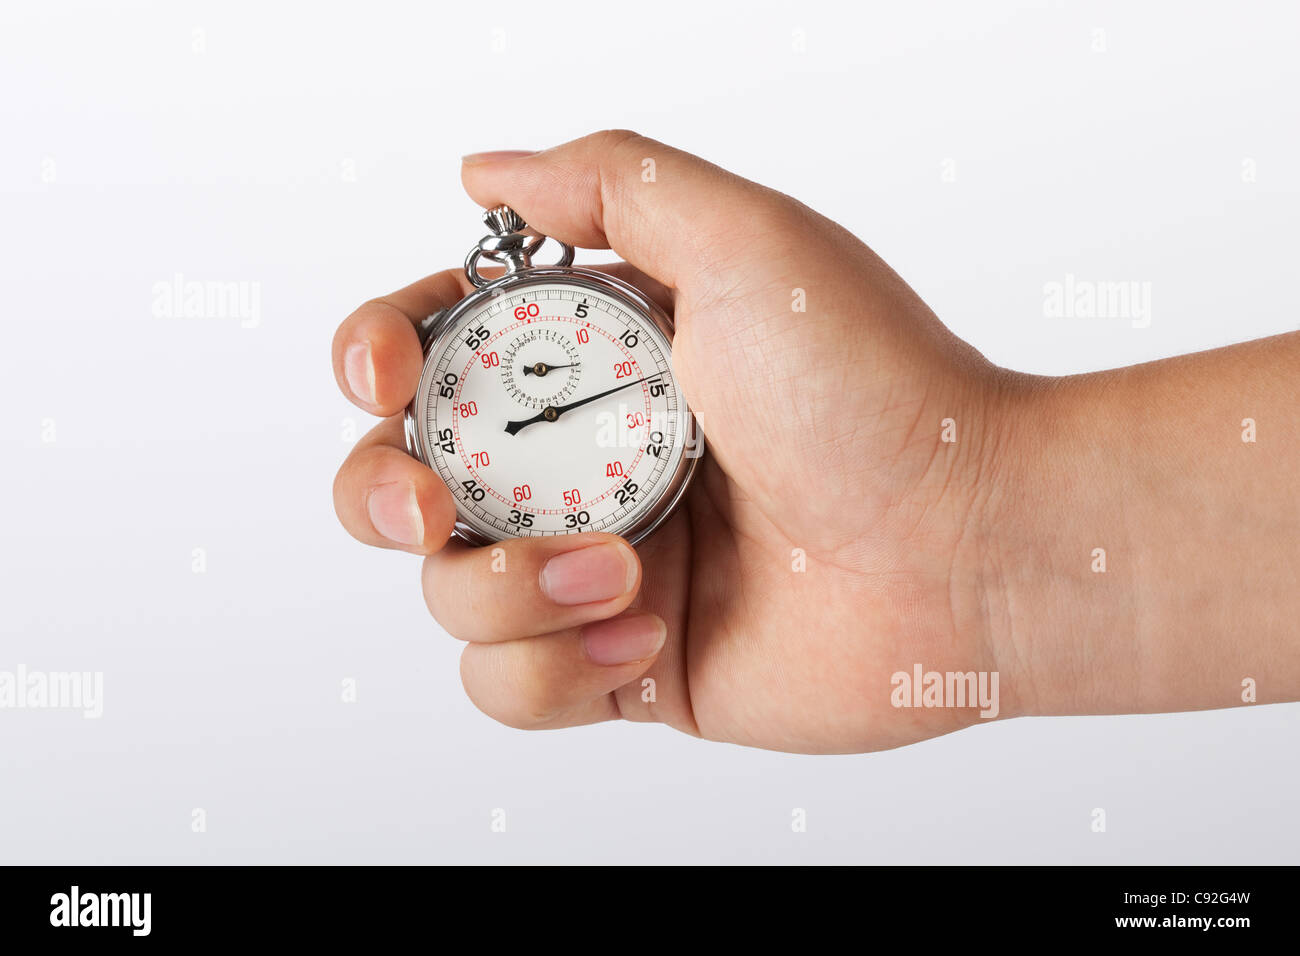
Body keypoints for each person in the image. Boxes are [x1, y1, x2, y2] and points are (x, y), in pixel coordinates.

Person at [330, 130, 1299, 754]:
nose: (542, 416)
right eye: (523, 413)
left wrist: (978, 516)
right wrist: (976, 536)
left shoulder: (636, 343)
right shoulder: (491, 364)